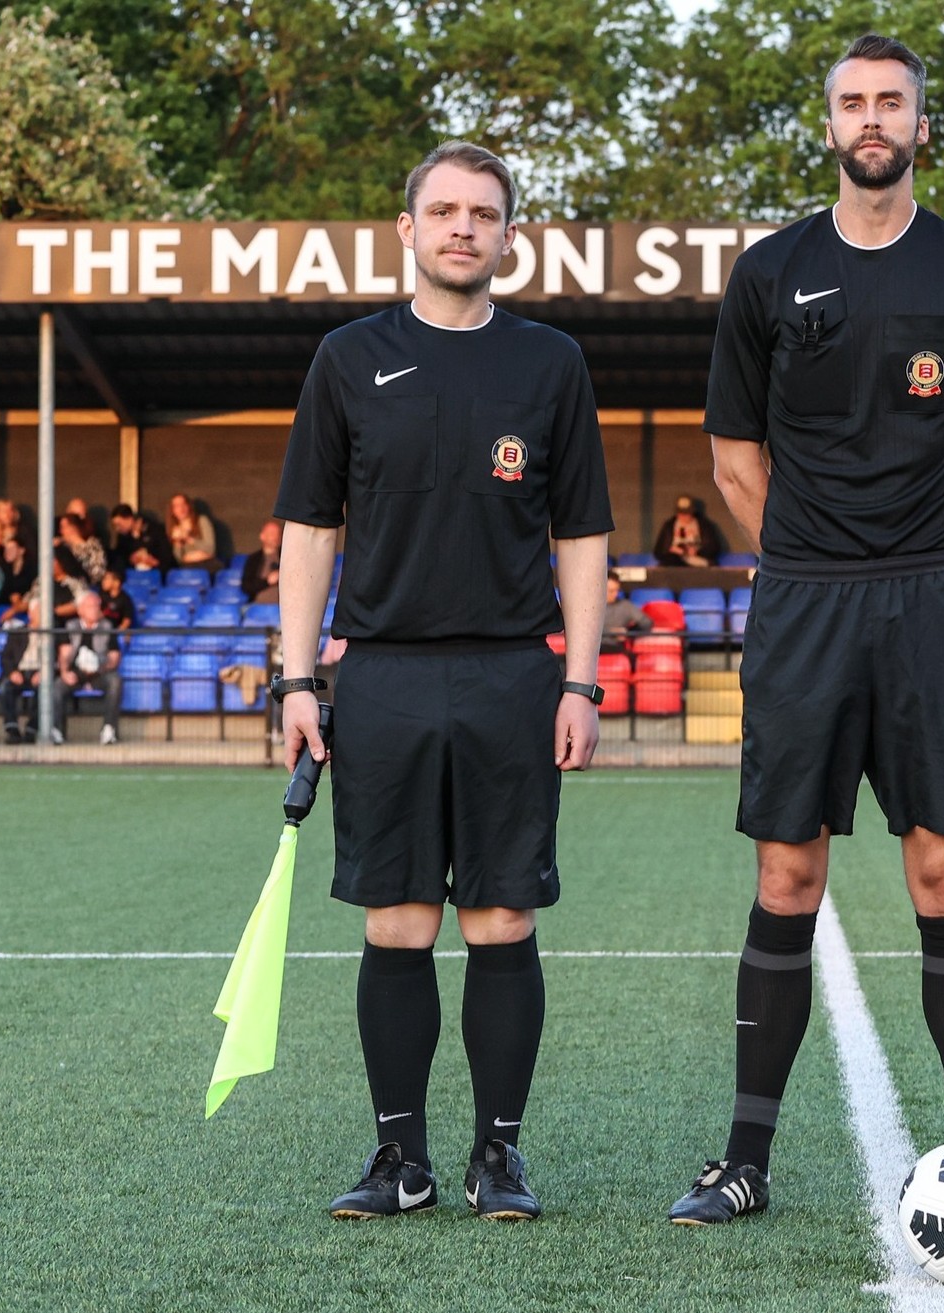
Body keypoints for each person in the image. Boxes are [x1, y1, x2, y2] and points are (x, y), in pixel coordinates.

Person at [672, 33, 944, 1228]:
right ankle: (743, 1157)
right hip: (801, 602)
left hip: (926, 600)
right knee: (788, 871)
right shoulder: (768, 271)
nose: (872, 118)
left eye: (892, 100)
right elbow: (735, 457)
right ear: (830, 125)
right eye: (853, 101)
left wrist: (926, 551)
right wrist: (805, 557)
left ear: (922, 125)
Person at [275, 139, 612, 1224]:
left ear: (509, 236)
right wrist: (295, 677)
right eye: (446, 210)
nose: (464, 227)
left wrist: (583, 680)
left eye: (485, 212)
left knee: (502, 920)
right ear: (408, 230)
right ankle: (399, 1159)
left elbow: (583, 538)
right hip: (382, 677)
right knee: (398, 924)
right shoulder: (345, 358)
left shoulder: (550, 363)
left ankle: (499, 1156)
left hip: (517, 674)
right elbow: (311, 533)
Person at [55, 591, 123, 745]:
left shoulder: (107, 626)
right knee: (58, 685)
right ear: (80, 610)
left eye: (97, 606)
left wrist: (101, 667)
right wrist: (65, 672)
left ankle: (109, 729)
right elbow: (64, 654)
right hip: (76, 672)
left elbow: (114, 657)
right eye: (90, 606)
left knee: (115, 681)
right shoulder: (70, 626)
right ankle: (57, 730)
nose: (95, 609)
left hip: (100, 671)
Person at [0, 596, 50, 743]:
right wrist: (12, 672)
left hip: (40, 672)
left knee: (45, 689)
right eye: (39, 611)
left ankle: (31, 730)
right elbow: (5, 657)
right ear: (30, 613)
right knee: (5, 688)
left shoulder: (53, 633)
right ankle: (12, 729)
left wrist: (44, 672)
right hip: (19, 671)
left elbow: (56, 659)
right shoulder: (17, 632)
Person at [653, 493, 724, 567]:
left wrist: (697, 552)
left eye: (687, 513)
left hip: (697, 561)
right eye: (681, 513)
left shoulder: (704, 525)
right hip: (674, 562)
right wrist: (671, 550)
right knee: (670, 563)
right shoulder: (669, 526)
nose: (684, 517)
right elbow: (658, 552)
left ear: (692, 512)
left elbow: (714, 548)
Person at [108, 504, 172, 573]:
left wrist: (153, 561)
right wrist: (131, 559)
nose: (117, 529)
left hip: (157, 573)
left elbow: (166, 556)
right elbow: (119, 557)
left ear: (130, 519)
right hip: (133, 574)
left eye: (119, 524)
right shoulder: (122, 537)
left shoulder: (155, 530)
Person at [166, 493, 219, 575]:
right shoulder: (174, 528)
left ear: (189, 506)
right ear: (173, 511)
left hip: (207, 565)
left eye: (183, 504)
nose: (181, 509)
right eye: (177, 506)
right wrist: (177, 542)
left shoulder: (202, 521)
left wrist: (188, 539)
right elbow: (179, 558)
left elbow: (210, 549)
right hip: (187, 567)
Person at [601, 571, 649, 649]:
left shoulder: (625, 606)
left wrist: (628, 632)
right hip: (592, 651)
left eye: (617, 590)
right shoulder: (589, 608)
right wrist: (611, 632)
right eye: (611, 591)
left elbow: (647, 623)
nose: (615, 594)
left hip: (616, 649)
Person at [58, 513, 107, 585]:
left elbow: (97, 572)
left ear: (72, 528)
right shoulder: (63, 547)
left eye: (62, 527)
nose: (61, 531)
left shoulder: (93, 547)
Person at [242, 520, 283, 603]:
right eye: (271, 534)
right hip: (257, 605)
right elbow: (246, 586)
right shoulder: (254, 559)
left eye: (278, 534)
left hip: (281, 607)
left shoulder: (285, 556)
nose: (275, 537)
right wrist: (267, 581)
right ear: (262, 536)